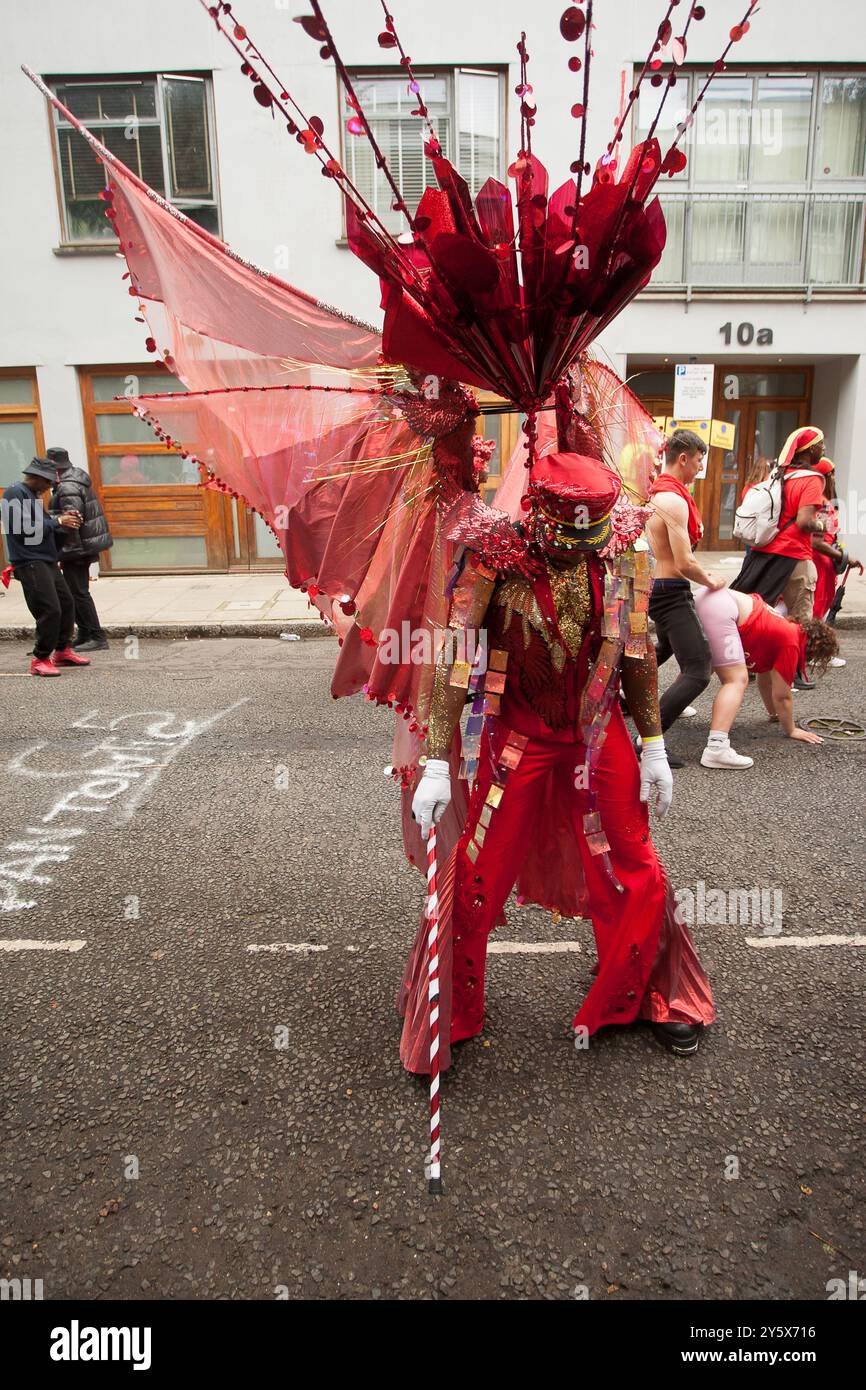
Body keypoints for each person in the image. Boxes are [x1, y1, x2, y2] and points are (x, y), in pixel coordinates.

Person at [406, 382, 715, 1062]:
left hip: (600, 736)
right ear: (539, 518)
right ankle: (450, 1009)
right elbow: (455, 661)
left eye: (592, 535)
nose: (581, 548)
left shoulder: (624, 558)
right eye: (567, 534)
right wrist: (436, 758)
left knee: (636, 866)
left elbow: (636, 653)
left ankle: (644, 992)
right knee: (478, 875)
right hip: (517, 742)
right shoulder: (493, 561)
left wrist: (655, 745)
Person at [645, 428, 723, 762]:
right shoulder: (673, 500)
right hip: (671, 591)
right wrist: (711, 581)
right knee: (699, 668)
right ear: (683, 458)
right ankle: (649, 742)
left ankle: (623, 701)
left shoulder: (656, 493)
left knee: (663, 648)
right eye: (698, 461)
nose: (699, 469)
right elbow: (684, 562)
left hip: (657, 587)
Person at [694, 585, 837, 767]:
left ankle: (672, 708)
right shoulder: (791, 644)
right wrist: (791, 729)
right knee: (736, 679)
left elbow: (765, 680)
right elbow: (782, 696)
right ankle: (717, 747)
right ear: (815, 649)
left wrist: (773, 713)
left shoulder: (787, 627)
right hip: (720, 608)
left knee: (697, 671)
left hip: (706, 597)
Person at [0, 459, 92, 677]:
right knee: (50, 609)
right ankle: (40, 658)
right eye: (48, 482)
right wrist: (58, 522)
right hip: (29, 561)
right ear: (37, 477)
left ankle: (61, 650)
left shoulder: (31, 495)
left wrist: (65, 522)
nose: (50, 487)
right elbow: (22, 529)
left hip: (45, 559)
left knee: (67, 604)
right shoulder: (14, 493)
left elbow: (41, 526)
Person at [730, 426, 826, 625]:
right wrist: (822, 525)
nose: (823, 450)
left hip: (765, 552)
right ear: (810, 449)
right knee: (801, 621)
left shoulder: (779, 474)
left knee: (755, 614)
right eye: (820, 445)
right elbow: (804, 521)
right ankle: (799, 656)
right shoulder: (812, 479)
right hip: (794, 556)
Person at [47, 445, 113, 651]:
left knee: (78, 593)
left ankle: (96, 636)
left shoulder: (67, 487)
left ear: (54, 468)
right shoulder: (74, 480)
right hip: (81, 546)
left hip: (76, 547)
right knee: (76, 591)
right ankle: (84, 633)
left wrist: (67, 551)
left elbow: (72, 521)